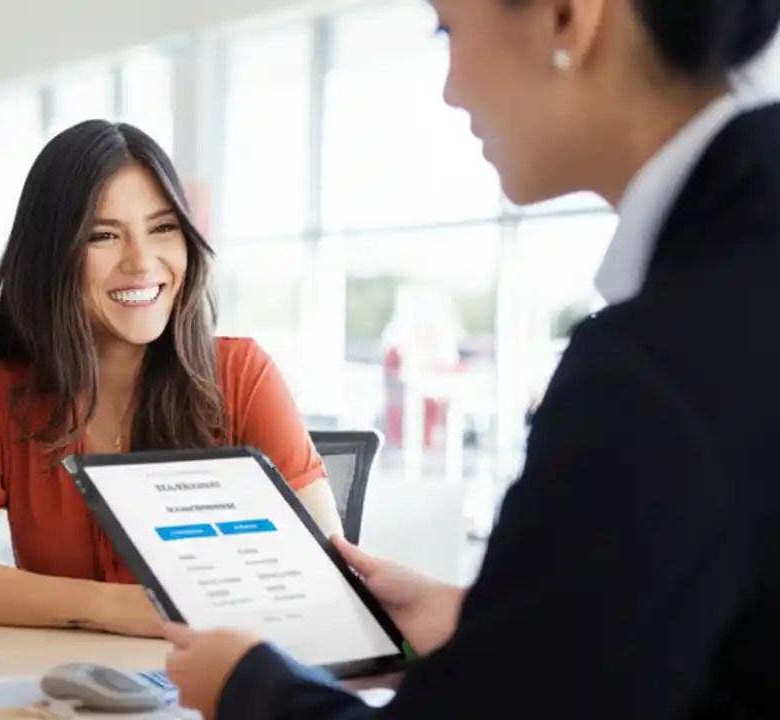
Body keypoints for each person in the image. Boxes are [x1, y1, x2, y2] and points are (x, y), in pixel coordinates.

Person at [165, 0, 780, 717]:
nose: (450, 90)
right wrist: (490, 624)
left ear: (564, 18)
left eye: (447, 30)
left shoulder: (651, 372)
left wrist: (246, 686)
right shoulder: (737, 278)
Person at [0, 121, 343, 638]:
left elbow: (326, 578)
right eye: (104, 236)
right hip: (72, 692)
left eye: (162, 228)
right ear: (52, 255)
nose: (142, 262)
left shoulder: (241, 374)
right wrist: (126, 608)